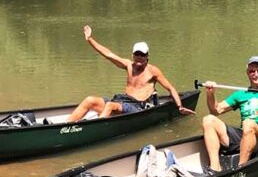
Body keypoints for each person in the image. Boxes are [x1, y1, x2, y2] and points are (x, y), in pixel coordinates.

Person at [66, 26, 196, 122]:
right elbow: (108, 54)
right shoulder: (128, 65)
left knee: (110, 105)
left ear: (147, 56)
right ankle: (65, 126)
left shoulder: (153, 71)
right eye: (137, 54)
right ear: (132, 55)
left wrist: (179, 106)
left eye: (142, 55)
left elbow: (170, 88)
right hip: (122, 102)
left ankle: (94, 128)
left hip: (137, 107)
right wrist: (89, 39)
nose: (139, 57)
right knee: (90, 100)